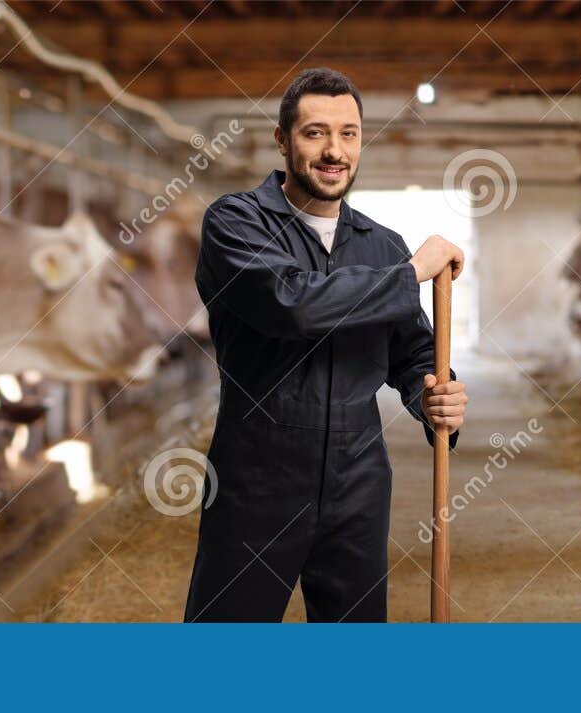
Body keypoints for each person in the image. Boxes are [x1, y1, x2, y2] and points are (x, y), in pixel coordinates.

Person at [186, 67, 469, 622]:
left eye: (348, 134)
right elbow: (292, 303)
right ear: (283, 140)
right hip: (257, 477)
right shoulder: (235, 222)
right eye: (315, 133)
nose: (334, 151)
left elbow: (411, 352)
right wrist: (411, 273)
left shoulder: (381, 244)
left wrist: (434, 395)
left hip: (358, 479)